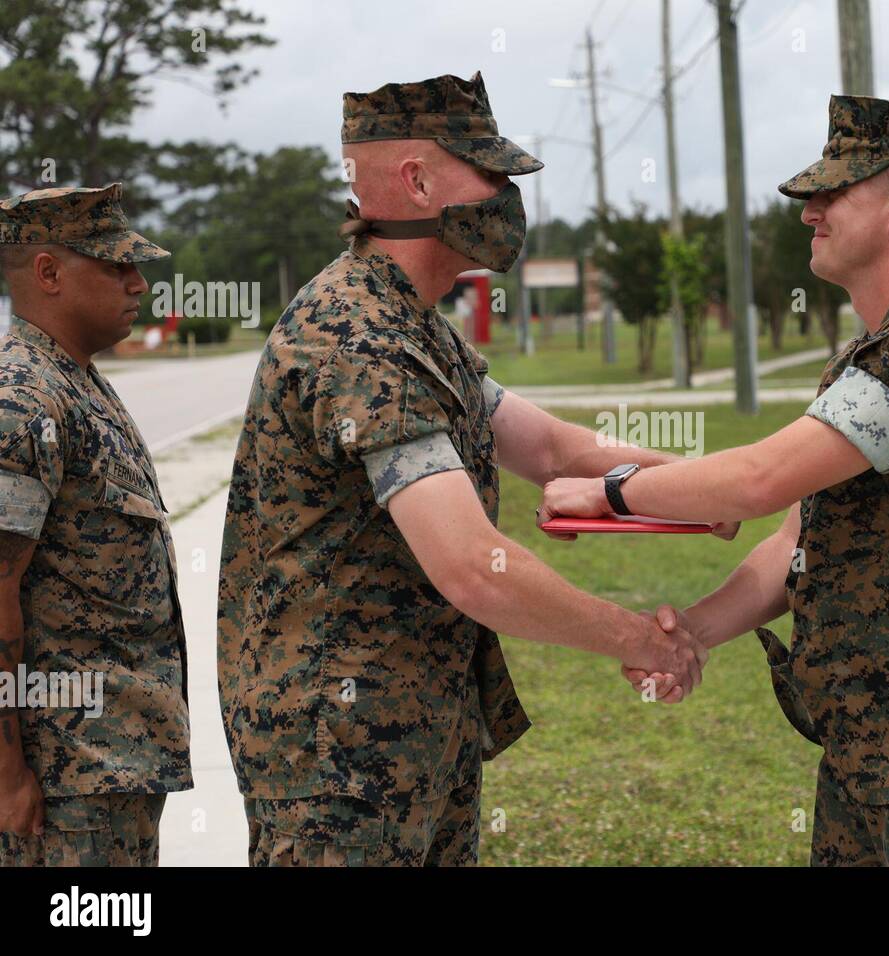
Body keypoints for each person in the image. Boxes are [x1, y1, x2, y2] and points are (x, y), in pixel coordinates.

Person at [540, 96, 889, 866]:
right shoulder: (865, 357)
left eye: (835, 191)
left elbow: (758, 480)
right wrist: (693, 635)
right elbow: (798, 537)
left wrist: (611, 491)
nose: (811, 211)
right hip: (873, 754)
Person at [218, 72, 721, 867]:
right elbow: (474, 568)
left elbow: (555, 450)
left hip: (413, 728)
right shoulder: (356, 338)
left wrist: (705, 486)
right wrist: (638, 639)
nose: (506, 193)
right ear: (416, 180)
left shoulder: (417, 328)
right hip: (337, 757)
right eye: (487, 172)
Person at [0, 184, 191, 866]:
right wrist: (7, 775)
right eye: (115, 265)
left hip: (110, 772)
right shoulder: (24, 399)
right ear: (48, 272)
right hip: (62, 783)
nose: (138, 282)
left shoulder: (76, 382)